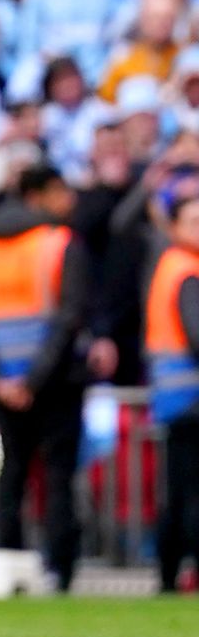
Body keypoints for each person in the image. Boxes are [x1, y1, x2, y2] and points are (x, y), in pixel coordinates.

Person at [0, 163, 92, 591]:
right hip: (55, 386)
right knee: (57, 480)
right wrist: (32, 382)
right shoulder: (60, 243)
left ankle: (7, 570)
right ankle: (59, 572)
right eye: (60, 191)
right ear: (37, 196)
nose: (69, 201)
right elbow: (69, 318)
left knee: (5, 481)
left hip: (0, 387)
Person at [146, 193, 199, 593]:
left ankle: (167, 574)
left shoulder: (170, 266)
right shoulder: (187, 272)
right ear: (175, 227)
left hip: (174, 399)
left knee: (179, 493)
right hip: (191, 401)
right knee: (189, 497)